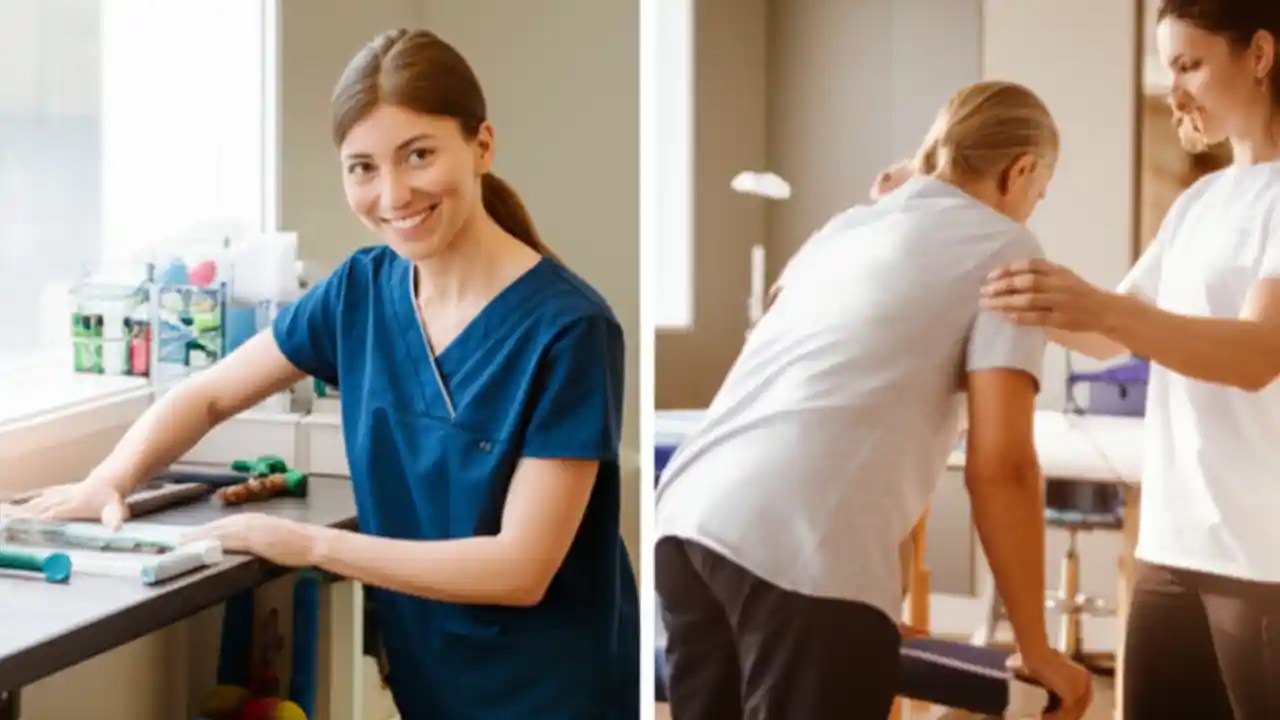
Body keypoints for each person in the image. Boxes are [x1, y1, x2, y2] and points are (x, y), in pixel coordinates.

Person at [11, 29, 637, 720]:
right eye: (362, 167)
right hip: (434, 685)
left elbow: (520, 569)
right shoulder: (360, 293)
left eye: (419, 154)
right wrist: (109, 479)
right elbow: (210, 392)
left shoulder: (570, 329)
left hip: (554, 695)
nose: (392, 193)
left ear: (481, 146)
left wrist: (306, 543)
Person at [654, 80, 1092, 720]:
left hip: (691, 518)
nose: (1032, 211)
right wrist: (1036, 648)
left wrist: (863, 604)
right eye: (1039, 194)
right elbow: (1002, 466)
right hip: (798, 544)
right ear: (1021, 170)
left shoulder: (846, 227)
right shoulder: (1007, 247)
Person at [980, 2, 1280, 717]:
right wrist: (992, 256)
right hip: (1172, 549)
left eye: (1190, 65)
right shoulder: (1200, 202)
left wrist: (1108, 311)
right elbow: (1109, 335)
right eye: (1167, 69)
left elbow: (1257, 354)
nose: (1175, 91)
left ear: (1260, 55)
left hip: (1262, 557)